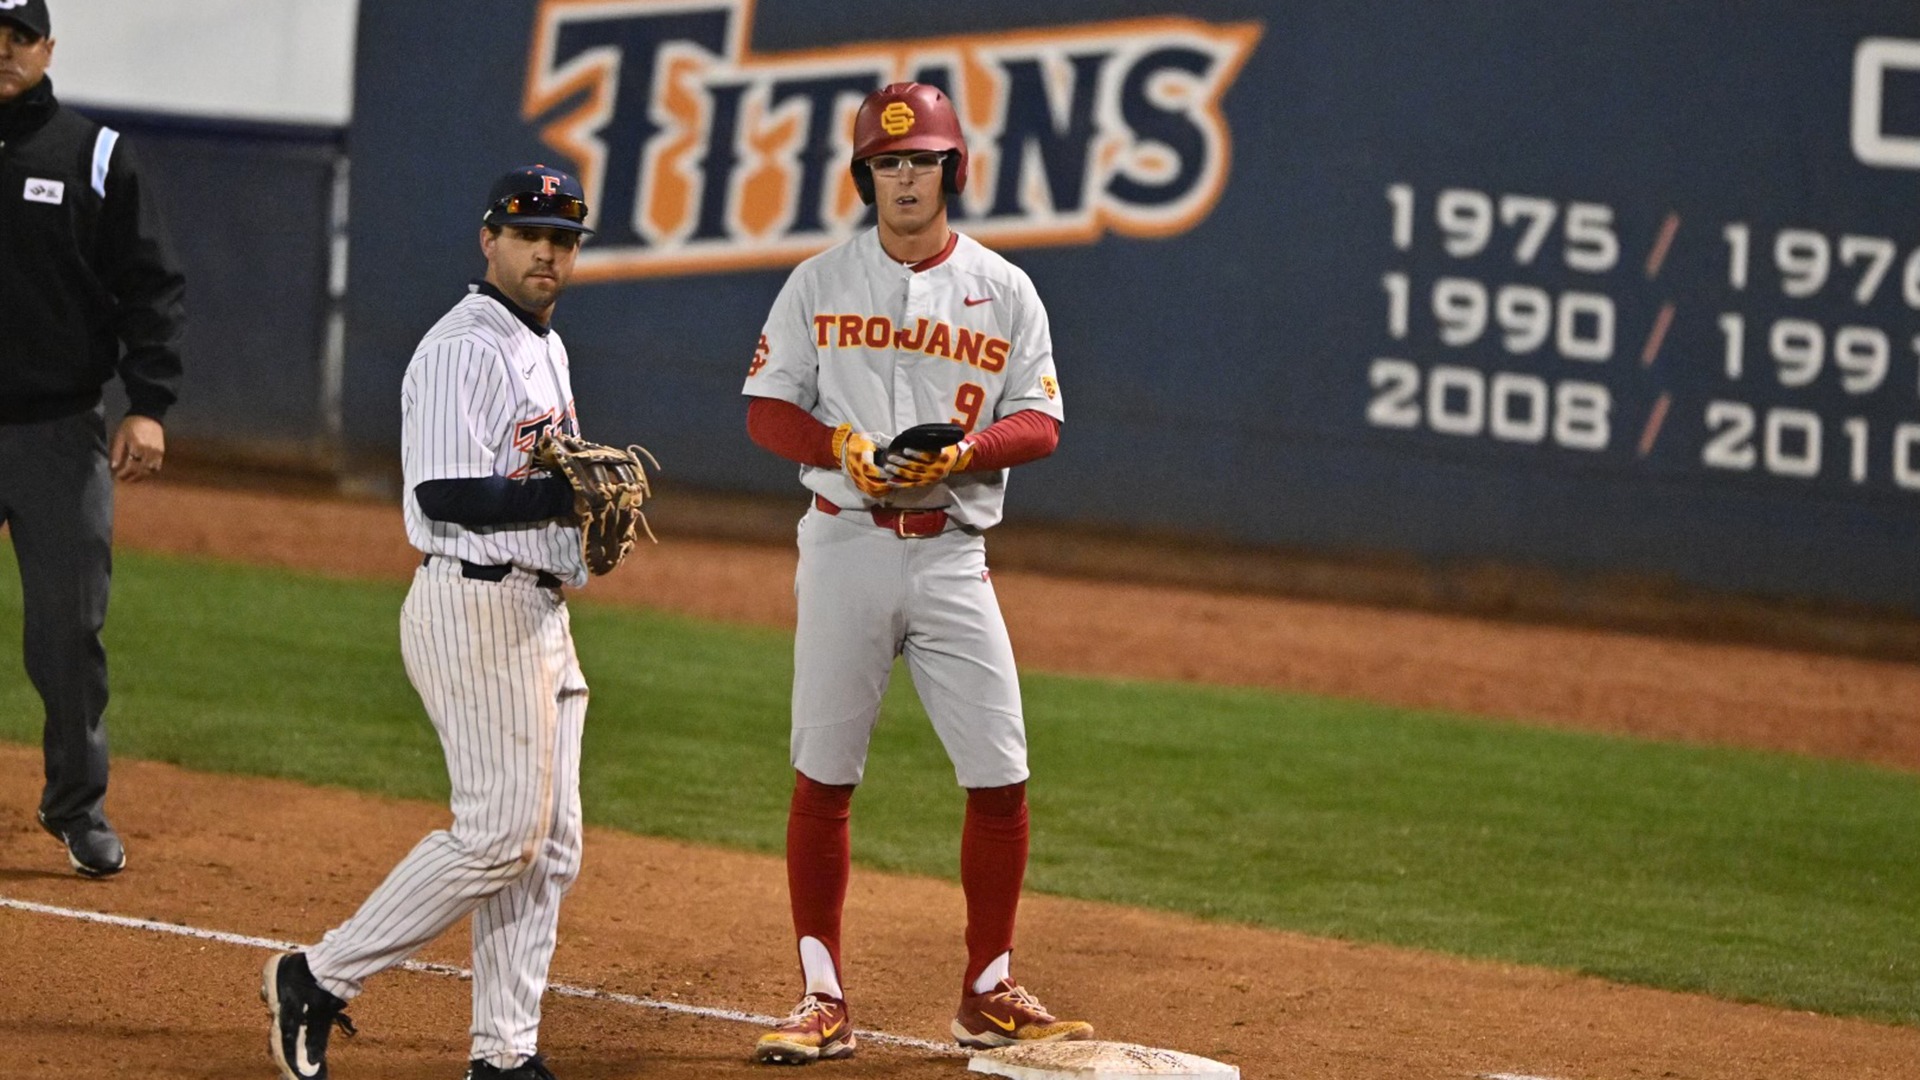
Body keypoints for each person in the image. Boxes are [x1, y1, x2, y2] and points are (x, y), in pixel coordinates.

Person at [740, 82, 1090, 1064]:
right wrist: (837, 443)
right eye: (887, 163)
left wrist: (968, 455)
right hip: (845, 542)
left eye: (921, 161)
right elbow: (766, 408)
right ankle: (822, 997)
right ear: (865, 176)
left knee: (1002, 775)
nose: (904, 177)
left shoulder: (1006, 289)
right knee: (824, 775)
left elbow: (1043, 421)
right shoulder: (818, 281)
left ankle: (987, 989)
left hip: (951, 554)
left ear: (952, 171)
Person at [262, 165, 604, 1080]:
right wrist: (557, 492)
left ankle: (503, 1054)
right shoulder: (464, 346)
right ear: (488, 240)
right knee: (500, 833)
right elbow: (446, 491)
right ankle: (319, 975)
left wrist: (571, 519)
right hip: (473, 602)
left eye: (563, 239)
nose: (547, 252)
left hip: (535, 611)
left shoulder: (547, 346)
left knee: (549, 845)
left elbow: (538, 488)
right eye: (530, 233)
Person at [0, 0, 185, 879]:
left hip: (55, 431)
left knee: (67, 633)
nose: (4, 52)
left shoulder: (94, 156)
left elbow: (149, 288)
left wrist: (149, 403)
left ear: (48, 48)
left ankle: (76, 809)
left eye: (19, 38)